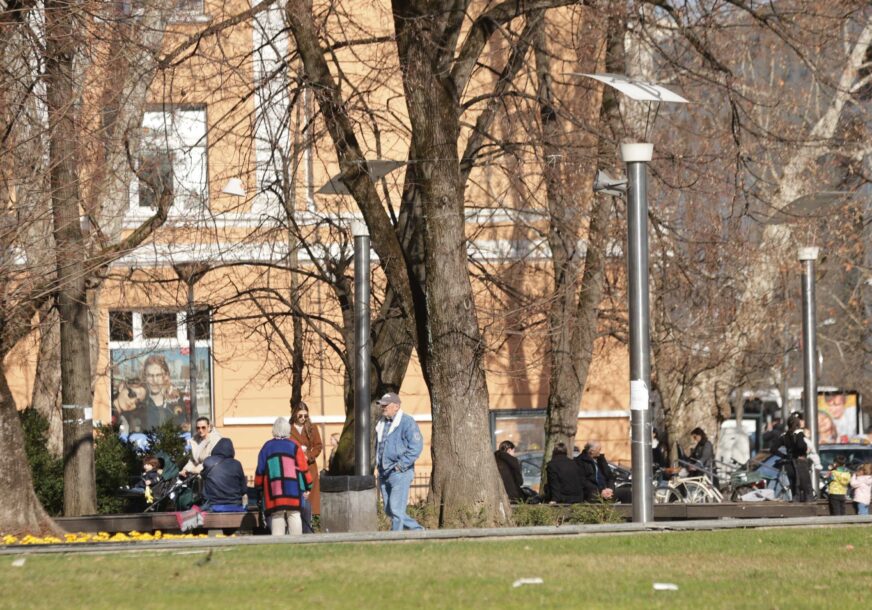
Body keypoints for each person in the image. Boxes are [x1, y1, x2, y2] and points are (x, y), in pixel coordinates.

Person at [375, 392, 424, 531]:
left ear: (396, 406)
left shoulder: (407, 422)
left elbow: (416, 447)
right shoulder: (381, 422)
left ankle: (397, 538)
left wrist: (400, 465)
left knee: (396, 509)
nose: (383, 407)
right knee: (389, 510)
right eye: (382, 405)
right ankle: (416, 531)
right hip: (384, 472)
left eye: (386, 405)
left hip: (400, 472)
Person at [255, 417, 312, 536]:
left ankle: (278, 544)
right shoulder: (294, 446)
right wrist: (308, 486)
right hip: (293, 488)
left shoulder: (267, 447)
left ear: (274, 430)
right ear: (288, 430)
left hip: (274, 488)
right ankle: (296, 543)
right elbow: (303, 468)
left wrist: (259, 487)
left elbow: (260, 470)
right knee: (294, 513)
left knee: (277, 514)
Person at [128, 355, 180, 430]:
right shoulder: (139, 407)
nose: (154, 381)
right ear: (145, 377)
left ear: (165, 376)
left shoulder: (175, 404)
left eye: (158, 375)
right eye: (150, 375)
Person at [771, 412, 814, 502]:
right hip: (801, 462)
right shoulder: (799, 434)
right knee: (806, 487)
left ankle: (796, 505)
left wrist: (784, 455)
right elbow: (801, 446)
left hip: (789, 463)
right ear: (798, 424)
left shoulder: (784, 436)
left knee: (794, 486)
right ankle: (809, 507)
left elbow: (773, 449)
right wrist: (803, 450)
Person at [290, 401, 323, 517]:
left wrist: (309, 456)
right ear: (294, 414)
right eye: (300, 415)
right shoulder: (289, 429)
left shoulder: (312, 428)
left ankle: (310, 524)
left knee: (310, 501)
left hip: (309, 467)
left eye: (306, 416)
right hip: (294, 468)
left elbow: (318, 446)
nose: (303, 418)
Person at [201, 437, 247, 512]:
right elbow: (244, 490)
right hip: (235, 506)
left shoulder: (208, 462)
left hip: (212, 506)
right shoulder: (237, 464)